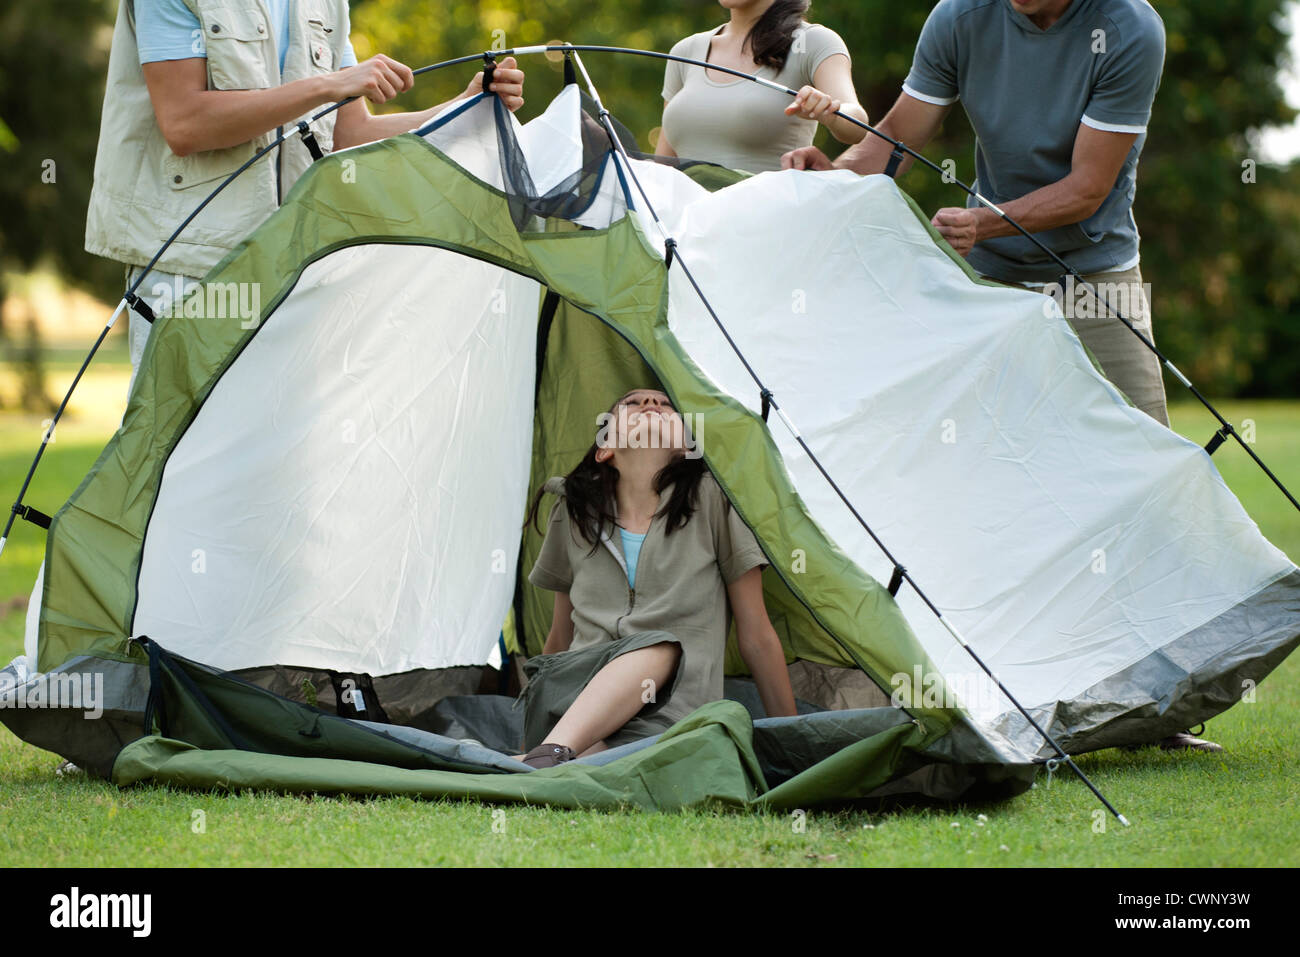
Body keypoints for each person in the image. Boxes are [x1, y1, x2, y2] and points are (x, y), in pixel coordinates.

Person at [782, 0, 1220, 754]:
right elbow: (895, 140)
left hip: (1097, 278)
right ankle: (1010, 688)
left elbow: (1087, 188)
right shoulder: (959, 18)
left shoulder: (1129, 27)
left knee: (1142, 486)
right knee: (994, 486)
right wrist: (837, 171)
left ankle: (1159, 713)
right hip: (994, 281)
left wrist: (987, 221)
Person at [84, 0, 527, 395]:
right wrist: (327, 85)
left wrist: (462, 108)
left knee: (278, 473)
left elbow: (349, 135)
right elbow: (184, 124)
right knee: (181, 470)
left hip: (291, 270)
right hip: (191, 272)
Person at [514, 388, 798, 768]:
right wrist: (537, 721)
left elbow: (757, 635)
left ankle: (537, 763)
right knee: (596, 752)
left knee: (659, 649)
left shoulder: (714, 501)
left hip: (673, 713)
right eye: (633, 403)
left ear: (685, 447)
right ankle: (544, 755)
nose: (651, 405)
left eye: (666, 405)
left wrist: (795, 744)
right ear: (605, 449)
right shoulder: (573, 513)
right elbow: (560, 637)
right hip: (575, 706)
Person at [656, 0, 867, 173]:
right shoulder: (685, 51)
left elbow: (857, 124)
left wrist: (830, 111)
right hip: (684, 220)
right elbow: (662, 165)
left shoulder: (813, 41)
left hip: (769, 216)